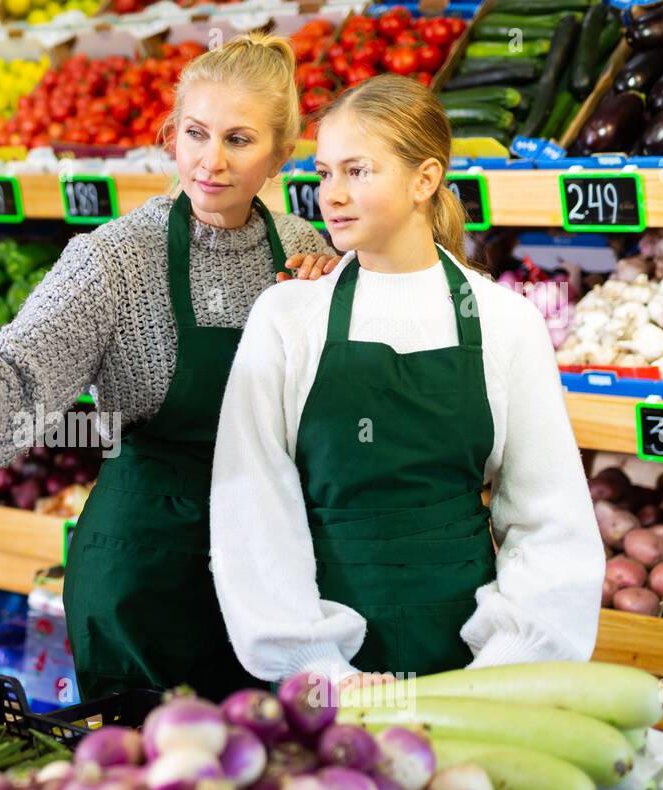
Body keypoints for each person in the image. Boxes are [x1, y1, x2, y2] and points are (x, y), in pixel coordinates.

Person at [0, 33, 341, 702]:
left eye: (239, 140)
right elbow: (13, 396)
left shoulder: (302, 249)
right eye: (197, 134)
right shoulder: (114, 259)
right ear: (170, 134)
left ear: (282, 153)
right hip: (147, 577)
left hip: (271, 571)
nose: (211, 162)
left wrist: (335, 295)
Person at [210, 74, 604, 695]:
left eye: (357, 172)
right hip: (320, 675)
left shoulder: (507, 323)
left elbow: (550, 523)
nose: (331, 196)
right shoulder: (286, 318)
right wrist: (319, 670)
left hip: (474, 667)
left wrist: (500, 672)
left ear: (425, 180)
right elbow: (252, 515)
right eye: (323, 174)